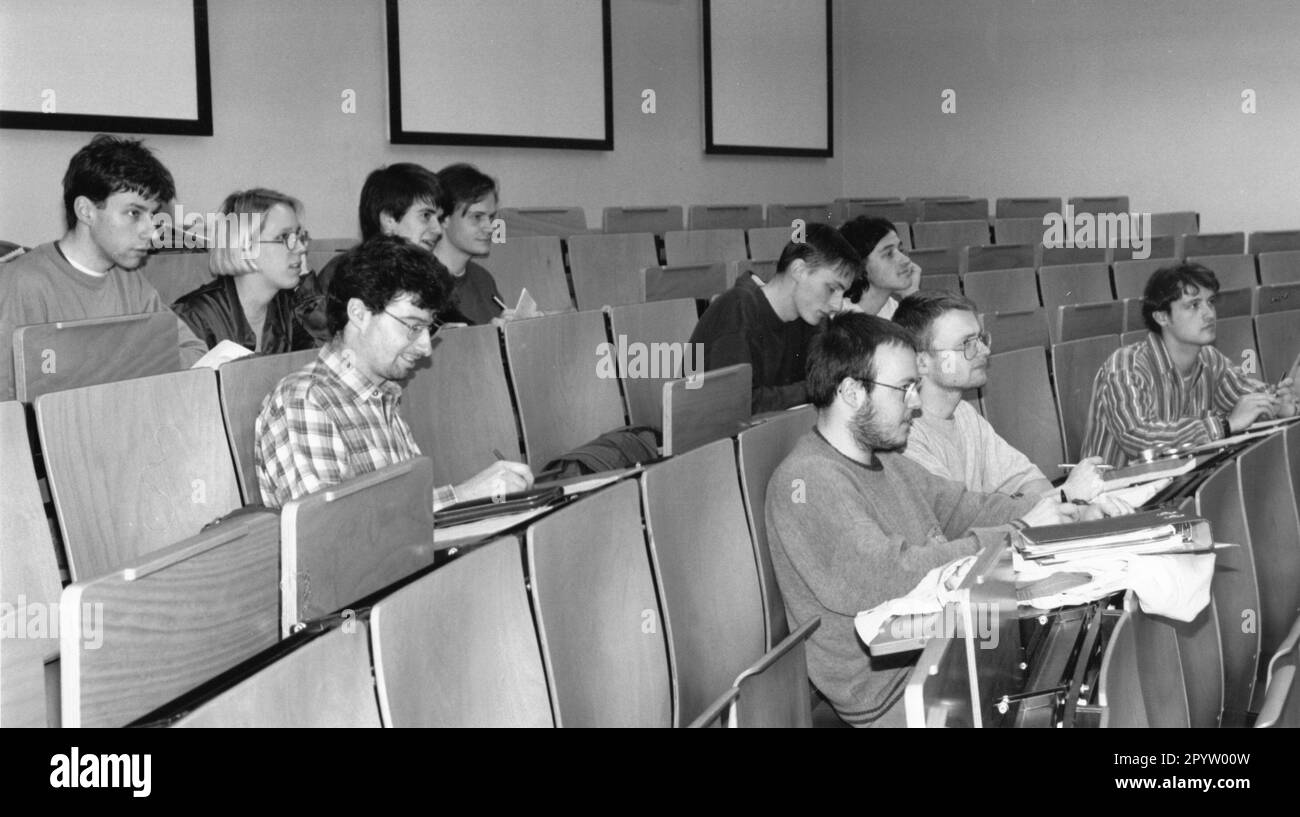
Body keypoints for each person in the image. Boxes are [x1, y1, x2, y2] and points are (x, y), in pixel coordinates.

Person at [765, 313, 1093, 727]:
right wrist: (1018, 533)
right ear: (850, 392)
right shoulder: (808, 481)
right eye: (904, 388)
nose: (916, 403)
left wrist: (1061, 506)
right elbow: (891, 575)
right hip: (893, 690)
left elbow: (966, 508)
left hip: (944, 647)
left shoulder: (887, 460)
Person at [256, 235, 532, 510]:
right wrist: (462, 496)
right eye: (412, 326)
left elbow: (406, 513)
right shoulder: (305, 402)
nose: (426, 348)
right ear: (359, 313)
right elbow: (333, 535)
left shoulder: (381, 395)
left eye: (429, 328)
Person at [0, 134, 206, 398]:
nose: (150, 231)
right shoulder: (23, 283)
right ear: (86, 211)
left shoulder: (130, 279)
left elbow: (193, 352)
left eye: (153, 215)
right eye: (134, 213)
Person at [892, 290, 1109, 501]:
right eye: (966, 344)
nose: (984, 351)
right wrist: (1064, 494)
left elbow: (1032, 481)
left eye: (980, 339)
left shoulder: (964, 412)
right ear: (921, 362)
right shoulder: (905, 437)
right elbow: (958, 520)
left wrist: (1014, 505)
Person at [1082, 262, 1298, 466]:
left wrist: (1280, 405)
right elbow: (1140, 438)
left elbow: (1247, 397)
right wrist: (1225, 425)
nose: (1208, 313)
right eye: (1194, 305)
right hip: (1112, 494)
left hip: (1173, 486)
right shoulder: (1126, 365)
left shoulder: (1210, 360)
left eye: (1210, 302)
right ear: (1162, 317)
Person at [689, 222, 860, 413]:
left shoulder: (812, 317)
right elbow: (738, 404)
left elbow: (825, 379)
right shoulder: (738, 308)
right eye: (831, 288)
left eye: (841, 293)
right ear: (799, 271)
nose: (837, 304)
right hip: (714, 439)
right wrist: (813, 390)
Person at [294, 163, 449, 342]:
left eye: (439, 218)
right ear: (389, 219)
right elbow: (329, 343)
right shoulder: (348, 274)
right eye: (426, 216)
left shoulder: (426, 274)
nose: (437, 229)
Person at [172, 188, 316, 353]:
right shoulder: (194, 318)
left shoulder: (291, 309)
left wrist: (308, 293)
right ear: (245, 246)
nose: (301, 247)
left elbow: (324, 367)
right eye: (284, 237)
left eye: (299, 236)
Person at [432, 163, 507, 325]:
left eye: (491, 217)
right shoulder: (419, 284)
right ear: (444, 218)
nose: (490, 228)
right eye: (477, 217)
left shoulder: (483, 278)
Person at [839, 216, 921, 319]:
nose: (906, 260)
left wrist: (911, 295)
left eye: (900, 250)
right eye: (888, 254)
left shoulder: (891, 307)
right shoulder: (839, 320)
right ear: (859, 267)